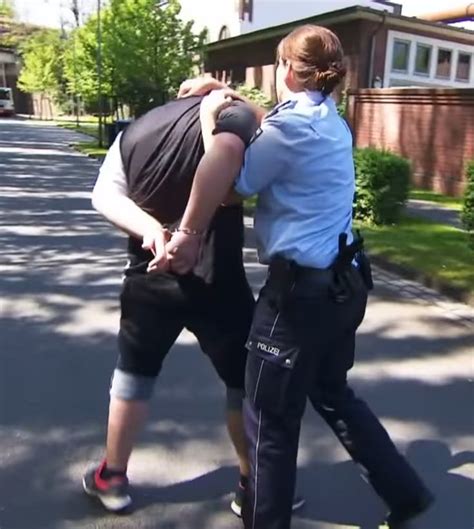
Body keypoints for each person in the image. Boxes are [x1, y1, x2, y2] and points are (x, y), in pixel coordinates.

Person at [166, 25, 434, 529]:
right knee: (332, 393)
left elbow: (232, 186)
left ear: (288, 69)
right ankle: (407, 493)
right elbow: (277, 127)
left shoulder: (291, 130)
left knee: (267, 422)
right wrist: (232, 97)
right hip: (343, 286)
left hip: (297, 302)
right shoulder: (329, 119)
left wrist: (211, 119)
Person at [82, 80, 261, 516]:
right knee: (244, 382)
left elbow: (104, 195)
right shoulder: (229, 117)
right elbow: (260, 136)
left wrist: (151, 231)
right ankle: (253, 483)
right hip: (218, 278)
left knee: (134, 375)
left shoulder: (135, 131)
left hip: (151, 272)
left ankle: (114, 478)